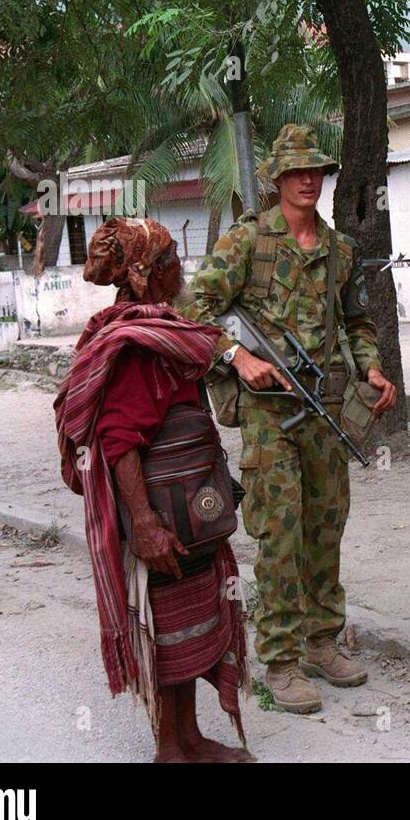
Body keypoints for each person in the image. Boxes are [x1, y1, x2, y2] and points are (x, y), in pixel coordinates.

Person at [182, 124, 397, 714]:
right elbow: (191, 310)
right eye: (296, 172)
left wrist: (372, 371)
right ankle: (278, 660)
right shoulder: (246, 243)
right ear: (276, 179)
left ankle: (321, 643)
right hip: (270, 415)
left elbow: (357, 325)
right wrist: (238, 356)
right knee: (279, 534)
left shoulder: (339, 250)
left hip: (326, 410)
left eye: (316, 171)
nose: (308, 180)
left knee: (326, 528)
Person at [55, 217, 252, 762]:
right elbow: (119, 439)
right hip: (160, 513)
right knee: (165, 628)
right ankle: (170, 748)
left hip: (189, 507)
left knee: (189, 619)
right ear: (152, 273)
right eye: (172, 262)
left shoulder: (163, 328)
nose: (181, 271)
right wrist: (143, 524)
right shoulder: (137, 343)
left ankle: (189, 737)